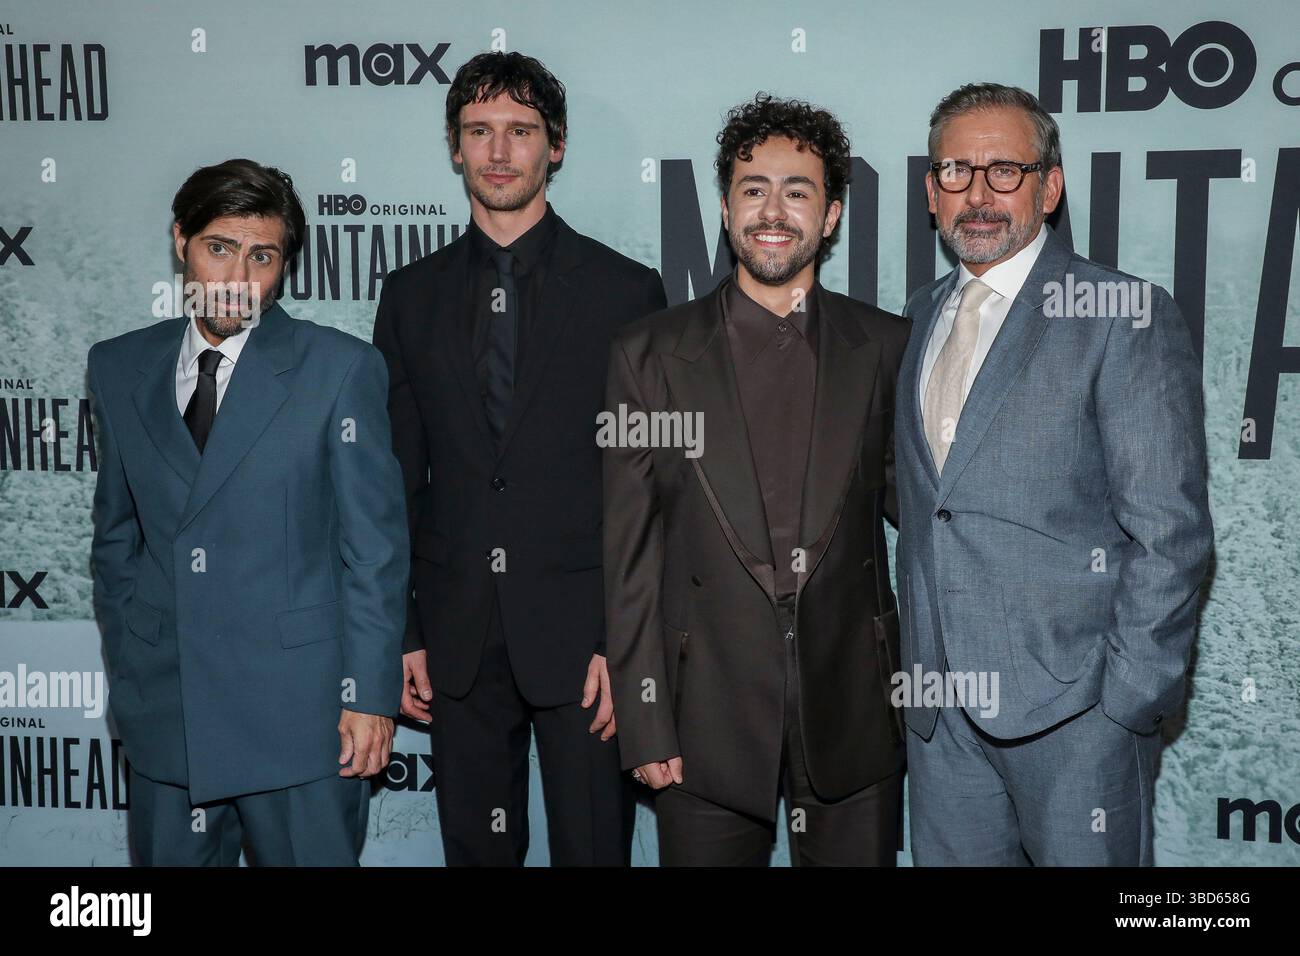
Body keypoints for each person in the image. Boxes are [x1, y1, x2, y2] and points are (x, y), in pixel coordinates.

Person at [896, 83, 1213, 865]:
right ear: (931, 189)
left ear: (1051, 185)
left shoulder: (1119, 313)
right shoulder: (913, 317)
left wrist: (1125, 704)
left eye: (1004, 170)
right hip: (939, 718)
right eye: (955, 170)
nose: (978, 193)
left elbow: (1170, 532)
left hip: (1078, 717)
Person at [372, 51, 667, 866]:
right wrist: (402, 632)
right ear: (456, 147)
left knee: (594, 849)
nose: (500, 152)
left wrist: (627, 642)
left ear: (556, 147)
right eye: (480, 132)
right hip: (454, 639)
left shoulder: (625, 291)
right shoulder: (410, 295)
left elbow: (645, 485)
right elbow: (395, 479)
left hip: (584, 642)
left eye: (521, 132)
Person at [605, 93, 909, 865]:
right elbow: (630, 555)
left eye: (798, 191)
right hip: (702, 718)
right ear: (725, 206)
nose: (774, 211)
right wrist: (644, 717)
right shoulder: (648, 354)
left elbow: (931, 522)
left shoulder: (886, 348)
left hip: (854, 713)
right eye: (753, 189)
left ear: (831, 215)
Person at [88, 158, 408, 866]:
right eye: (219, 248)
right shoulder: (117, 368)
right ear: (181, 242)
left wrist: (370, 698)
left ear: (284, 265)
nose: (238, 275)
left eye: (261, 255)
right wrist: (133, 660)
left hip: (302, 718)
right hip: (168, 714)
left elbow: (374, 551)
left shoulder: (339, 371)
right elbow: (116, 538)